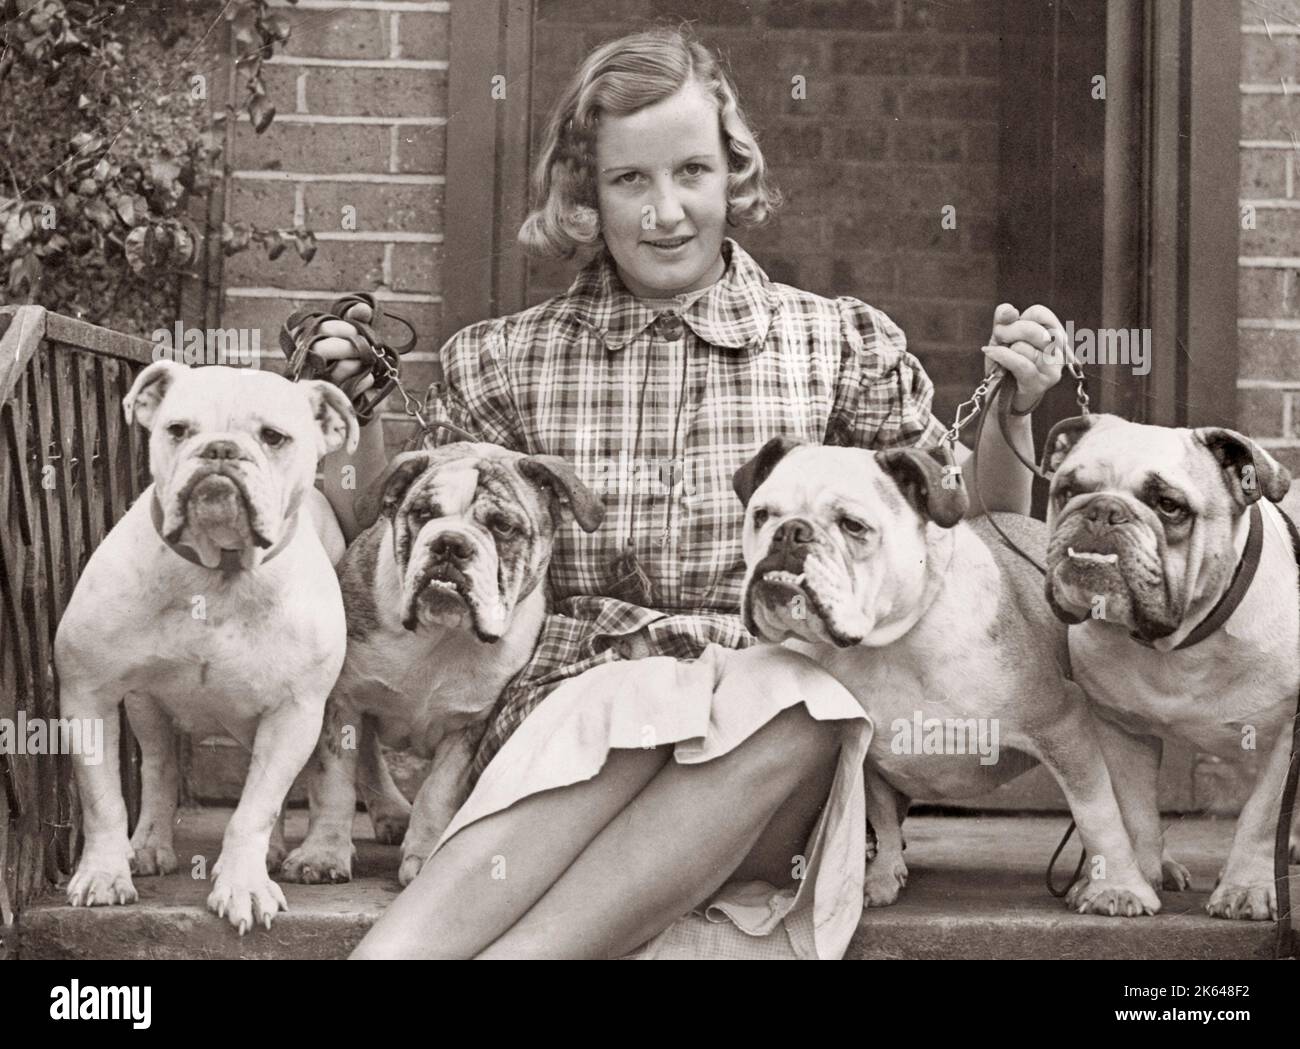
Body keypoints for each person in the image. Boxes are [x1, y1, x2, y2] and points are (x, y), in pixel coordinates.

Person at [305, 27, 1064, 959]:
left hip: (758, 757)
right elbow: (393, 561)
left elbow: (966, 530)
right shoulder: (502, 361)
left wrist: (1015, 413)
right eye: (631, 180)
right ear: (584, 194)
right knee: (613, 705)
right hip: (566, 733)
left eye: (693, 172)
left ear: (733, 175)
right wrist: (355, 420)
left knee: (799, 706)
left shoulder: (834, 345)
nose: (666, 211)